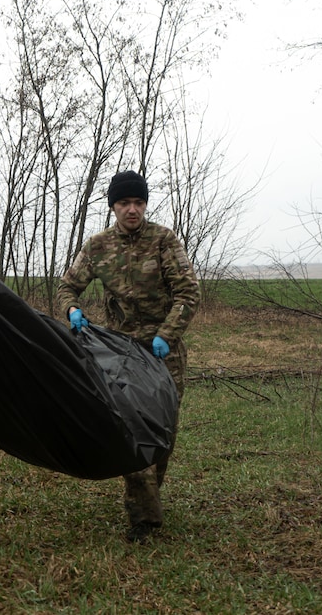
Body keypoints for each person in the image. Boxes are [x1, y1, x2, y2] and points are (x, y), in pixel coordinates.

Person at [55, 169, 200, 543]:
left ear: (145, 204)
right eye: (124, 203)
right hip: (119, 355)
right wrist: (72, 311)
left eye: (138, 202)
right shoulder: (99, 246)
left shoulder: (164, 240)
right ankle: (145, 518)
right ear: (113, 207)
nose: (132, 210)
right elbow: (67, 286)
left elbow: (188, 293)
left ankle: (148, 498)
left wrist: (166, 336)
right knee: (129, 429)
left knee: (162, 431)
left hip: (163, 353)